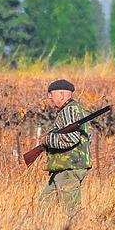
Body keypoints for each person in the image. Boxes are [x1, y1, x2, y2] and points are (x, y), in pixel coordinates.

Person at [38, 79, 92, 217]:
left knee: (72, 211)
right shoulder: (78, 110)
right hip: (64, 168)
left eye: (51, 94)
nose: (49, 97)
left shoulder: (68, 111)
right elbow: (87, 137)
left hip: (69, 169)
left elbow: (71, 138)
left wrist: (48, 140)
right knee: (44, 206)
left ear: (61, 94)